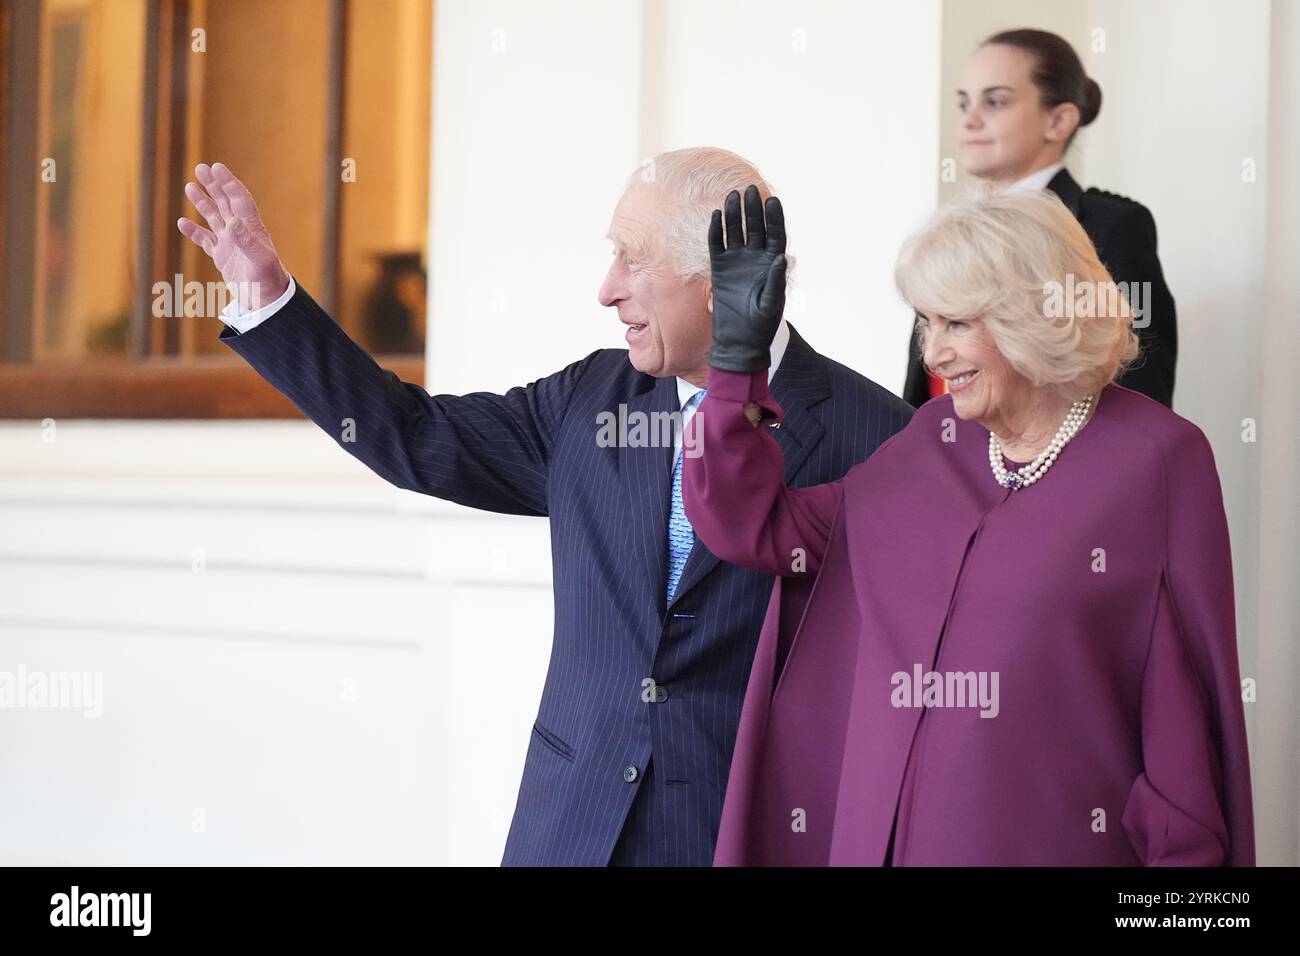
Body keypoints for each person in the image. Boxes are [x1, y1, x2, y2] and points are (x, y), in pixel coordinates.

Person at [175, 149, 913, 866]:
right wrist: (268, 298)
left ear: (720, 279)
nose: (607, 289)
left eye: (633, 258)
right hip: (573, 823)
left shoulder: (877, 435)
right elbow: (413, 436)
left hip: (742, 835)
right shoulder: (591, 400)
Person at [685, 186, 1253, 865]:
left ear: (1033, 314)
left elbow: (1183, 711)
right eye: (926, 324)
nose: (933, 354)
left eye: (955, 324)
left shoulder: (1157, 459)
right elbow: (760, 527)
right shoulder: (933, 438)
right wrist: (735, 367)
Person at [903, 28, 1177, 408]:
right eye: (965, 104)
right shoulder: (948, 233)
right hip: (947, 456)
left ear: (1060, 121)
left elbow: (1141, 393)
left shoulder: (1111, 227)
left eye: (995, 102)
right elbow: (926, 387)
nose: (970, 120)